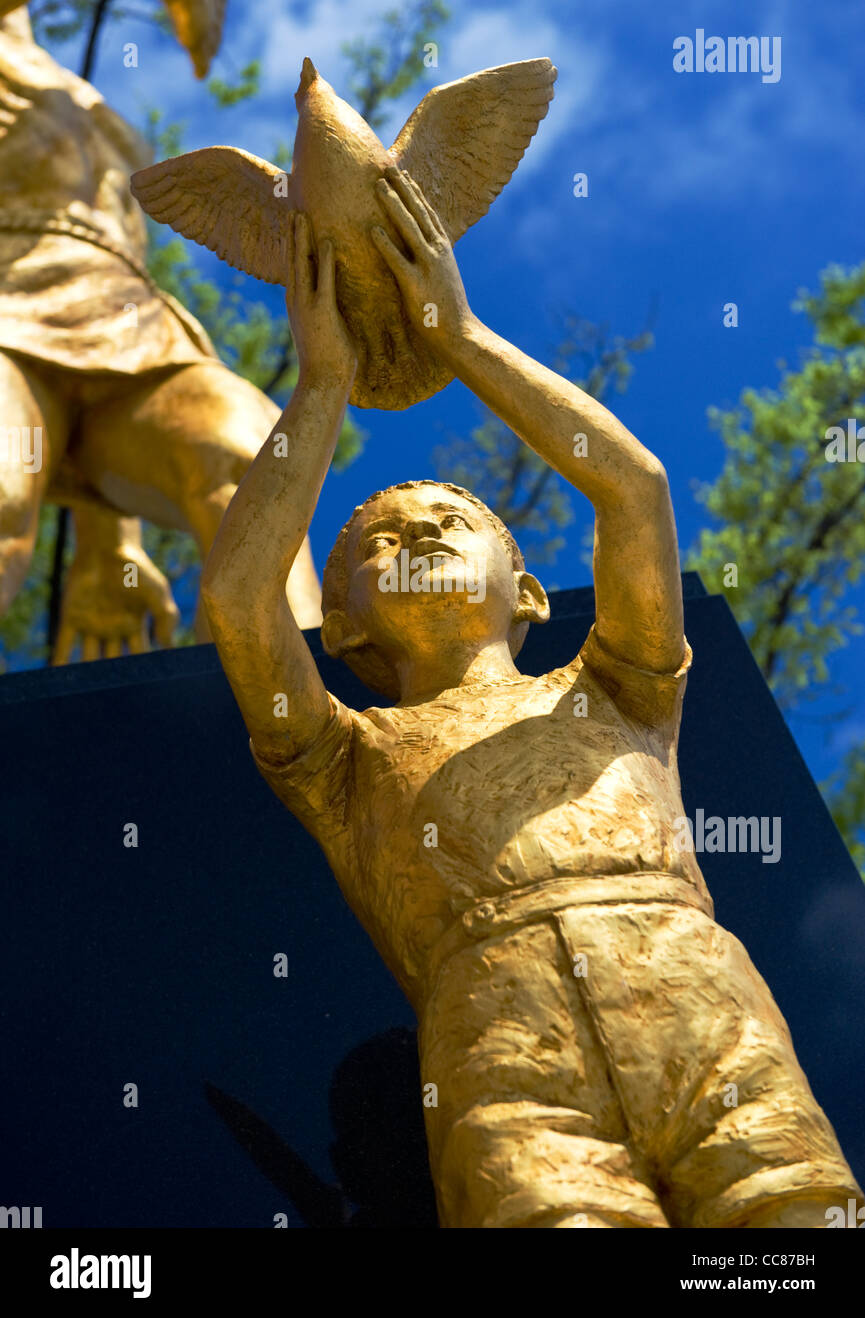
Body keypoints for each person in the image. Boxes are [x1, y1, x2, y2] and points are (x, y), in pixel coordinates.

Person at [201, 168, 862, 1228]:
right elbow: (238, 596)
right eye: (376, 541)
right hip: (498, 1039)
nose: (414, 531)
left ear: (526, 594)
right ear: (348, 626)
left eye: (451, 522)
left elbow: (634, 486)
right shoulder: (338, 760)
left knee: (788, 1216)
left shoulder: (620, 689)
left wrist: (456, 335)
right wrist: (324, 382)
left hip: (698, 1000)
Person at [0, 0, 320, 662]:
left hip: (128, 324)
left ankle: (289, 743)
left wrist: (109, 544)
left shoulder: (72, 95)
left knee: (251, 460)